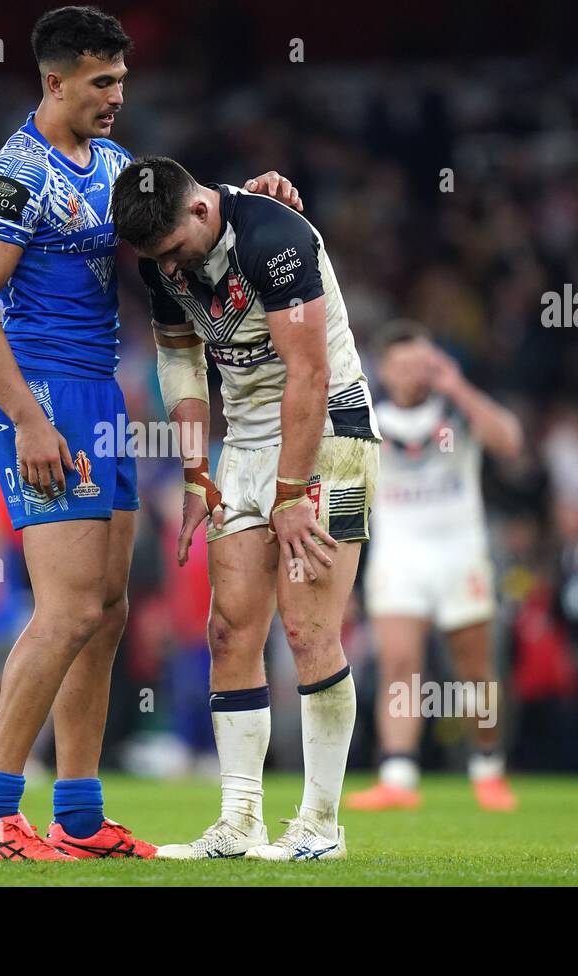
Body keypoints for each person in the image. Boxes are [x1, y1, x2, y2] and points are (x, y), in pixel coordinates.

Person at [0, 5, 300, 860]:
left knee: (106, 611)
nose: (116, 98)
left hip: (102, 397)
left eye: (122, 82)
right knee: (65, 610)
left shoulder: (110, 164)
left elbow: (179, 215)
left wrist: (252, 197)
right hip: (43, 399)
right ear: (54, 80)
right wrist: (29, 418)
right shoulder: (12, 177)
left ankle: (76, 816)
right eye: (101, 83)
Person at [113, 154, 380, 861]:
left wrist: (293, 494)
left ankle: (322, 826)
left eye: (173, 250)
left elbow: (311, 372)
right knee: (230, 630)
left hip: (332, 437)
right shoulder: (162, 260)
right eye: (154, 260)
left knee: (309, 631)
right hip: (247, 447)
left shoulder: (275, 237)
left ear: (200, 210)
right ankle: (239, 823)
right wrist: (197, 470)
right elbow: (179, 360)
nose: (168, 270)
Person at [346, 323, 524, 813]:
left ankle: (488, 768)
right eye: (400, 364)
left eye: (420, 363)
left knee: (475, 670)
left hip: (460, 552)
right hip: (399, 554)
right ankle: (398, 775)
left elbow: (510, 442)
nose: (410, 374)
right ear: (385, 369)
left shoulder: (457, 415)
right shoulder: (370, 419)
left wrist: (458, 387)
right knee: (400, 665)